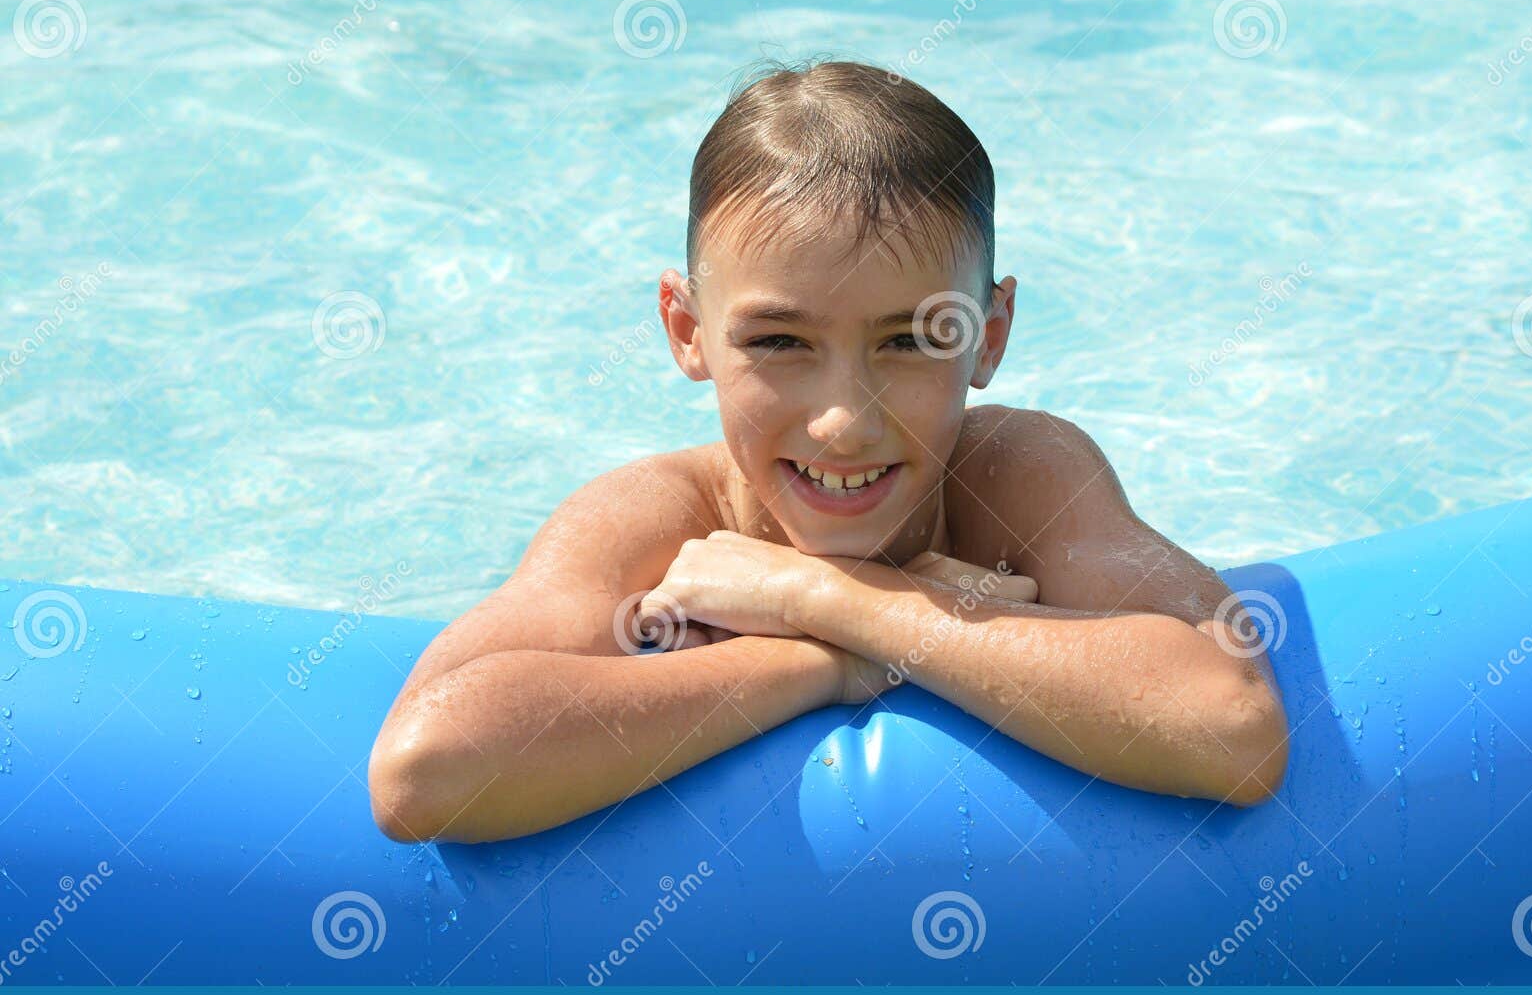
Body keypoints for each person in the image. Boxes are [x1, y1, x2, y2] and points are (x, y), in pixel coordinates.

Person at [368, 59, 1288, 844]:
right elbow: (425, 768)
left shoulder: (1017, 474)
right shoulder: (656, 521)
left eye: (913, 338)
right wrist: (828, 660)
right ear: (686, 329)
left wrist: (820, 596)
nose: (844, 420)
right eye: (777, 342)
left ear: (991, 333)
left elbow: (1233, 722)